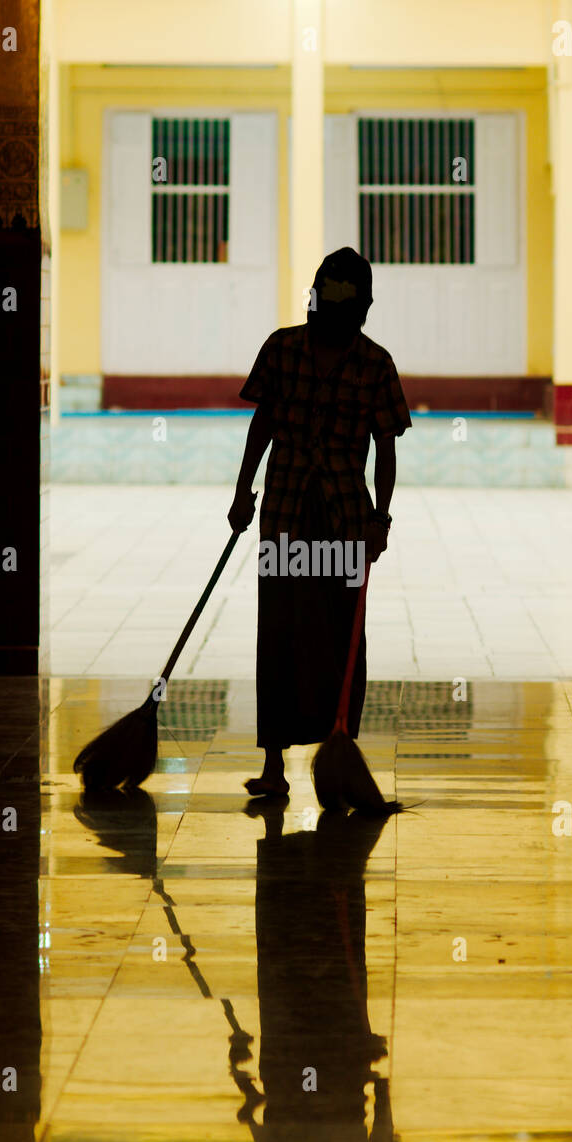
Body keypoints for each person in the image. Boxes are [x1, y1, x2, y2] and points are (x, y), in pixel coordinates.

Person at [228, 247, 411, 797]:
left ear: (361, 309)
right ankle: (274, 766)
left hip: (345, 522)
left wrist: (380, 518)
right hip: (283, 513)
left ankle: (339, 751)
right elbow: (262, 425)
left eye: (343, 304)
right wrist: (242, 492)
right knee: (279, 632)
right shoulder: (283, 349)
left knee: (340, 636)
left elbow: (386, 447)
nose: (333, 314)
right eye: (326, 300)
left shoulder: (375, 364)